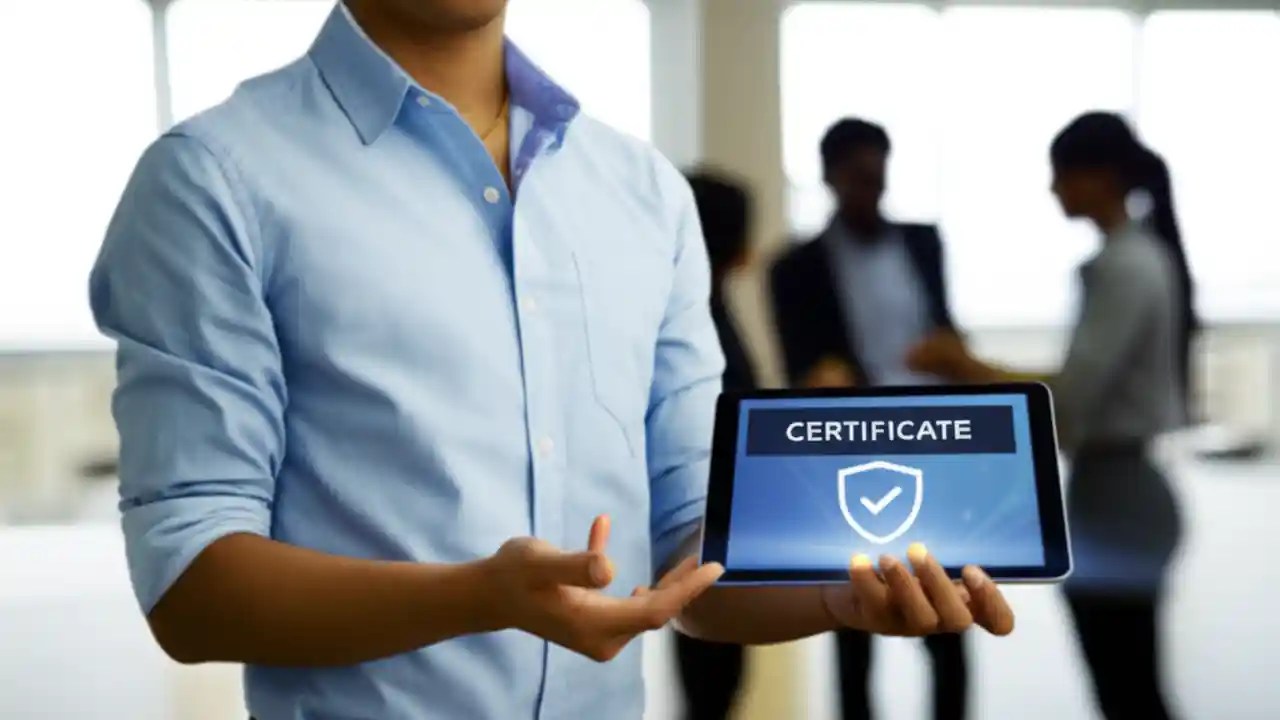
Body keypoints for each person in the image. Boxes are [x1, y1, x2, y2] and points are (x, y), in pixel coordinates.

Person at [88, 3, 1015, 718]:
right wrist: (480, 598)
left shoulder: (642, 192)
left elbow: (693, 556)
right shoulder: (215, 178)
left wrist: (834, 595)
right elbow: (191, 585)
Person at [908, 111, 1192, 720]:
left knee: (1129, 691)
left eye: (1062, 173)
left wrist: (968, 367)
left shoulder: (1127, 265)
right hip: (1111, 491)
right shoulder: (1135, 257)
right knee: (1128, 686)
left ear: (1103, 176)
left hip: (1119, 496)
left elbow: (1073, 397)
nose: (1053, 188)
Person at [771, 118, 969, 720]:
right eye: (859, 179)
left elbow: (946, 328)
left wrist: (952, 356)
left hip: (932, 442)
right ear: (830, 177)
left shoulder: (924, 243)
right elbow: (799, 366)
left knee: (947, 606)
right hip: (852, 446)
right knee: (854, 613)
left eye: (879, 178)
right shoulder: (795, 266)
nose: (871, 191)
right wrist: (820, 376)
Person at [673, 171, 756, 720]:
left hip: (709, 532)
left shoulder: (705, 313)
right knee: (711, 686)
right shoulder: (701, 326)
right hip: (710, 530)